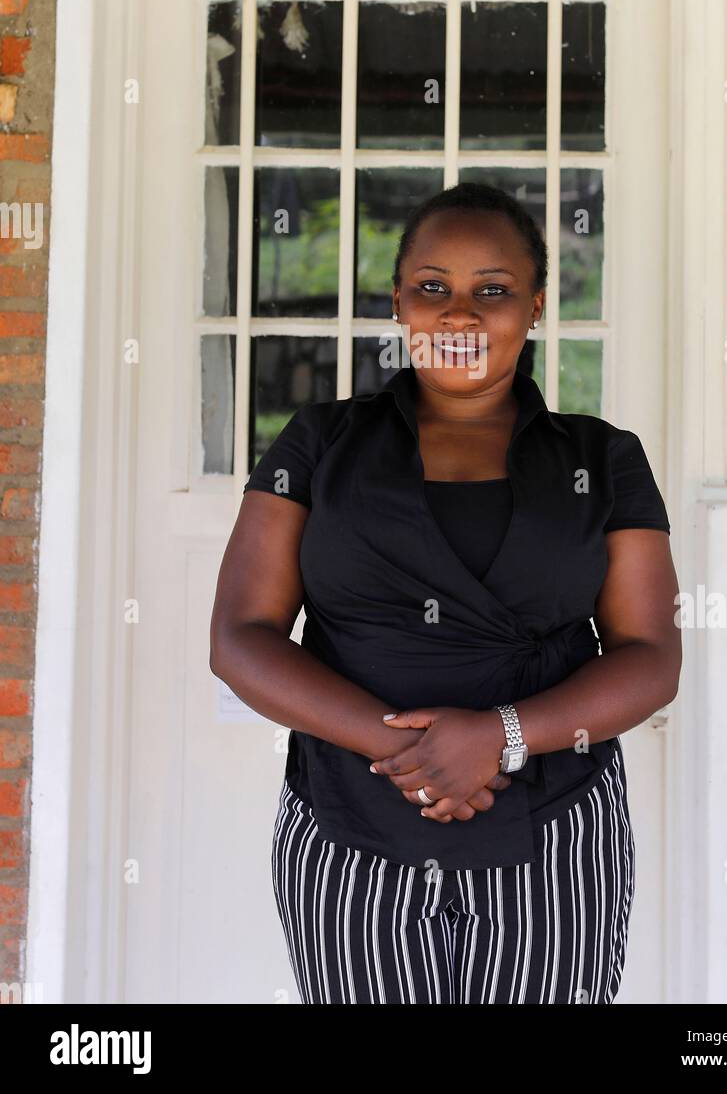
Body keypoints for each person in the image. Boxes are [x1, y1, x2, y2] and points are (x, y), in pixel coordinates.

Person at [210, 182, 681, 1005]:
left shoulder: (604, 458)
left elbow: (650, 657)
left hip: (555, 831)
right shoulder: (322, 443)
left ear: (534, 305)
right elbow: (241, 636)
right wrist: (410, 753)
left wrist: (501, 735)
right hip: (349, 825)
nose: (459, 315)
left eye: (491, 291)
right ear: (399, 300)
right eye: (434, 287)